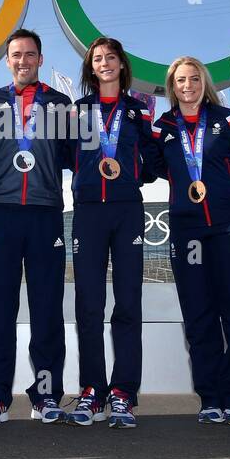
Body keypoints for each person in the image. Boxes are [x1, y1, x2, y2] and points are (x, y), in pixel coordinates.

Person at [147, 56, 230, 425]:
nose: (188, 85)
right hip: (186, 226)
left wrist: (224, 187)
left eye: (194, 78)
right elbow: (153, 167)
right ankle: (210, 397)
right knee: (199, 315)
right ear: (172, 86)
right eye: (180, 80)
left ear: (204, 82)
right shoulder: (163, 127)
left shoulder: (227, 119)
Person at [0, 29, 74, 425]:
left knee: (47, 309)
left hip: (46, 212)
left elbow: (69, 156)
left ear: (40, 59)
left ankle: (46, 396)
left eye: (30, 54)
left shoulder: (59, 102)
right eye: (16, 54)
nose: (23, 60)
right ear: (7, 59)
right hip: (0, 212)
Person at [68, 37, 158, 428]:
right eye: (97, 59)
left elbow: (153, 164)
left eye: (110, 58)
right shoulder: (77, 111)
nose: (104, 63)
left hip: (126, 211)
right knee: (89, 304)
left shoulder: (138, 113)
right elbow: (61, 157)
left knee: (127, 303)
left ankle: (123, 392)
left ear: (122, 65)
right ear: (91, 68)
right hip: (87, 211)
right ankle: (91, 390)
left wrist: (132, 172)